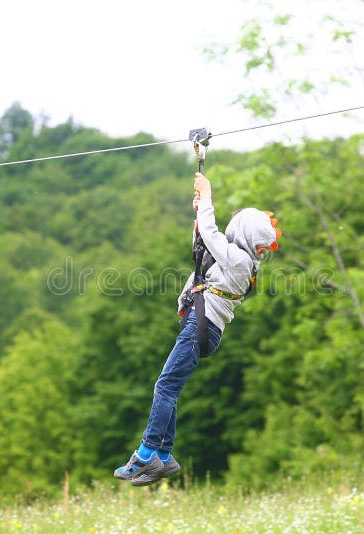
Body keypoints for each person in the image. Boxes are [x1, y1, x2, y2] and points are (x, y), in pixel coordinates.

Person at [114, 172, 280, 486]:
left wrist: (207, 196)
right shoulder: (231, 257)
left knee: (164, 388)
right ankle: (164, 457)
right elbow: (201, 247)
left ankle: (147, 453)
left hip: (200, 328)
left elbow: (210, 231)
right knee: (169, 389)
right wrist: (198, 213)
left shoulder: (240, 261)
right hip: (199, 326)